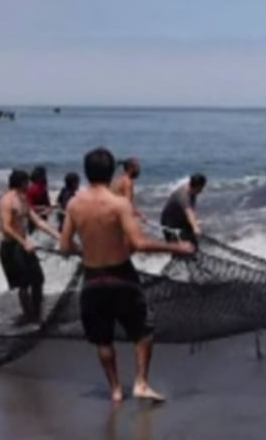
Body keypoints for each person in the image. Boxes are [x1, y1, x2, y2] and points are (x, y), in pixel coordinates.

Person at [60, 148, 193, 403]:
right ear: (111, 172)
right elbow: (139, 243)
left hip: (92, 278)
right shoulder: (119, 204)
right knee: (143, 332)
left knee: (103, 339)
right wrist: (177, 247)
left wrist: (84, 250)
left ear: (86, 173)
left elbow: (65, 247)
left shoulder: (75, 204)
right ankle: (141, 383)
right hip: (122, 276)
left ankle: (115, 390)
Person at [0, 169, 60, 325]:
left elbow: (38, 221)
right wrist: (23, 242)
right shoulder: (7, 200)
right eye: (27, 182)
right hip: (11, 246)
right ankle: (28, 316)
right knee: (23, 284)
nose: (30, 185)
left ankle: (36, 313)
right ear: (21, 183)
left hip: (24, 244)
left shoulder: (23, 198)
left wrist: (59, 236)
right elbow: (6, 227)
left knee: (38, 279)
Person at [160, 174, 206, 245]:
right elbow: (189, 212)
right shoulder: (183, 196)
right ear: (198, 186)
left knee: (192, 244)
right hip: (170, 223)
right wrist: (195, 228)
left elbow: (191, 209)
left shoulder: (192, 190)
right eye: (202, 187)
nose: (202, 190)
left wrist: (195, 221)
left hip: (181, 220)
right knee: (177, 248)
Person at [27, 166, 52, 231]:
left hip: (42, 214)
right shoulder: (33, 189)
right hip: (35, 217)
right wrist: (45, 207)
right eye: (44, 175)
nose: (45, 176)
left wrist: (48, 207)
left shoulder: (42, 186)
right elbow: (30, 207)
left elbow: (47, 201)